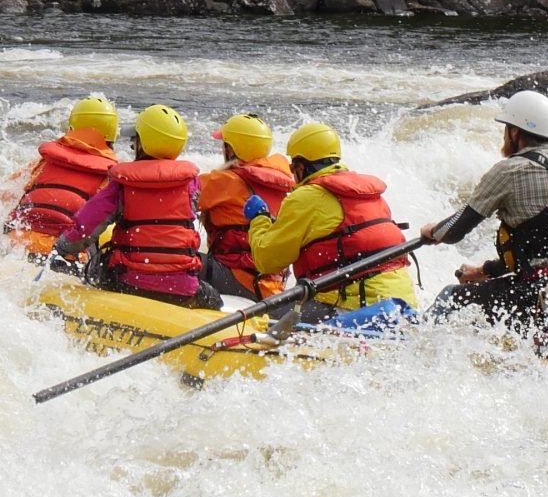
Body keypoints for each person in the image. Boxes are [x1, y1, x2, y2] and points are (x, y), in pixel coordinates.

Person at [418, 90, 548, 332]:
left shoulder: (510, 170)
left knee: (449, 296)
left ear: (515, 132)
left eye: (506, 130)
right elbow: (545, 250)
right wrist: (482, 271)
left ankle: (413, 342)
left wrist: (433, 231)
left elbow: (454, 230)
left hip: (538, 290)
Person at [243, 122, 418, 329]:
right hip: (402, 306)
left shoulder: (306, 197)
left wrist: (259, 219)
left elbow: (267, 261)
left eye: (293, 167)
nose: (292, 173)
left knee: (266, 318)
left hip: (357, 309)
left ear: (301, 166)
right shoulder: (367, 193)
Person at [55, 105, 219, 308]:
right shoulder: (192, 185)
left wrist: (62, 248)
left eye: (135, 141)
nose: (133, 146)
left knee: (95, 265)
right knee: (214, 299)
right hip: (182, 289)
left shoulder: (122, 185)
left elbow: (85, 228)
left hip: (127, 283)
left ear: (142, 144)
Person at [5, 95, 120, 253]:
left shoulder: (43, 162)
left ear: (72, 126)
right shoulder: (111, 177)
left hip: (16, 244)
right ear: (113, 133)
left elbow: (4, 194)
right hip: (63, 255)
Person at [196, 114, 294, 298]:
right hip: (273, 285)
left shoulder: (226, 181)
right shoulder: (280, 183)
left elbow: (177, 196)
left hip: (241, 281)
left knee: (178, 260)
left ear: (231, 150)